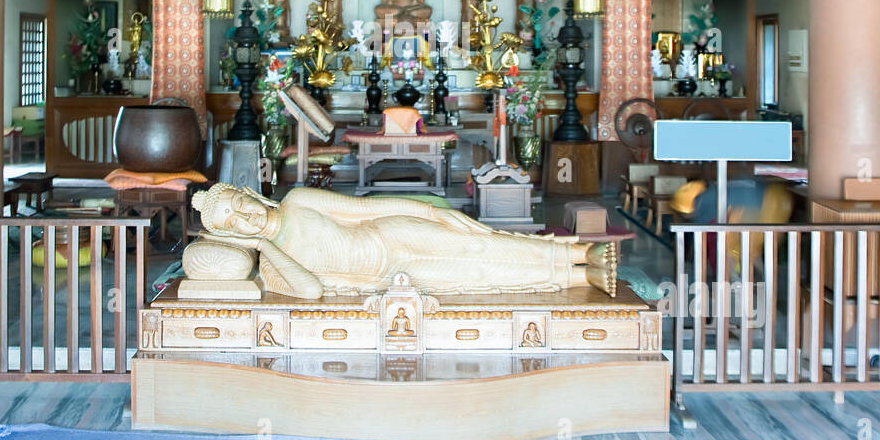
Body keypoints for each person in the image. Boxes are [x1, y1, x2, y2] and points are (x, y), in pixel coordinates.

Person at [187, 183, 617, 299]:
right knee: (479, 276)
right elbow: (312, 291)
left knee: (477, 244)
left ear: (252, 194)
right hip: (393, 275)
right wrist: (265, 246)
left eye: (240, 204)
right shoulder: (274, 266)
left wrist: (434, 212)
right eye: (235, 223)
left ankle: (578, 252)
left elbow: (366, 209)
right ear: (229, 235)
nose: (247, 216)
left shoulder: (297, 201)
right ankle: (574, 278)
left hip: (389, 233)